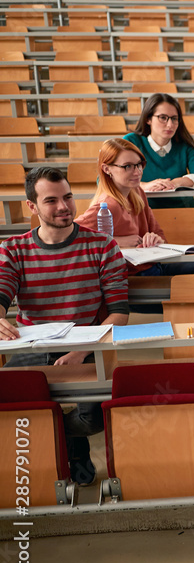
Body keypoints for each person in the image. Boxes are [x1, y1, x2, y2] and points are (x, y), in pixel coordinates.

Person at [0, 167, 130, 486]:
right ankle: (59, 453)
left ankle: (63, 437)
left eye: (68, 197)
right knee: (8, 402)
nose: (64, 207)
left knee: (93, 418)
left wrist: (81, 350)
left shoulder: (103, 246)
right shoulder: (14, 249)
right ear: (32, 207)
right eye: (51, 200)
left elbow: (119, 313)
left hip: (87, 343)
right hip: (32, 345)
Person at [77, 138, 194, 319]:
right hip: (134, 279)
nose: (136, 172)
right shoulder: (106, 206)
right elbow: (68, 235)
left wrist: (154, 239)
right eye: (127, 166)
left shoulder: (136, 193)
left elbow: (160, 236)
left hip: (154, 265)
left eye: (138, 165)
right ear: (107, 169)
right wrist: (116, 242)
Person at [123, 92, 194, 209]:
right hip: (144, 211)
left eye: (174, 119)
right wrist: (143, 186)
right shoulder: (132, 142)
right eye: (163, 118)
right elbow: (106, 178)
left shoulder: (184, 145)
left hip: (184, 210)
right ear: (148, 119)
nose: (170, 125)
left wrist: (177, 183)